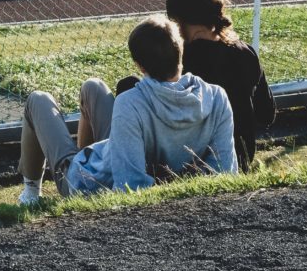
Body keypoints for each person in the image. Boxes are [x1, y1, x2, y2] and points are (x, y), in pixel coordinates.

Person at [17, 15, 237, 204]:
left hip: (88, 183)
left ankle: (31, 195)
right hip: (117, 155)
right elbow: (225, 171)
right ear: (180, 52)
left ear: (140, 66)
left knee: (38, 100)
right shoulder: (216, 97)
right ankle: (81, 156)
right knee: (93, 86)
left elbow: (129, 186)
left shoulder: (132, 102)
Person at [164, 0, 276, 172]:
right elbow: (267, 114)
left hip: (192, 161)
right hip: (241, 157)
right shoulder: (246, 52)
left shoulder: (180, 61)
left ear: (180, 19)